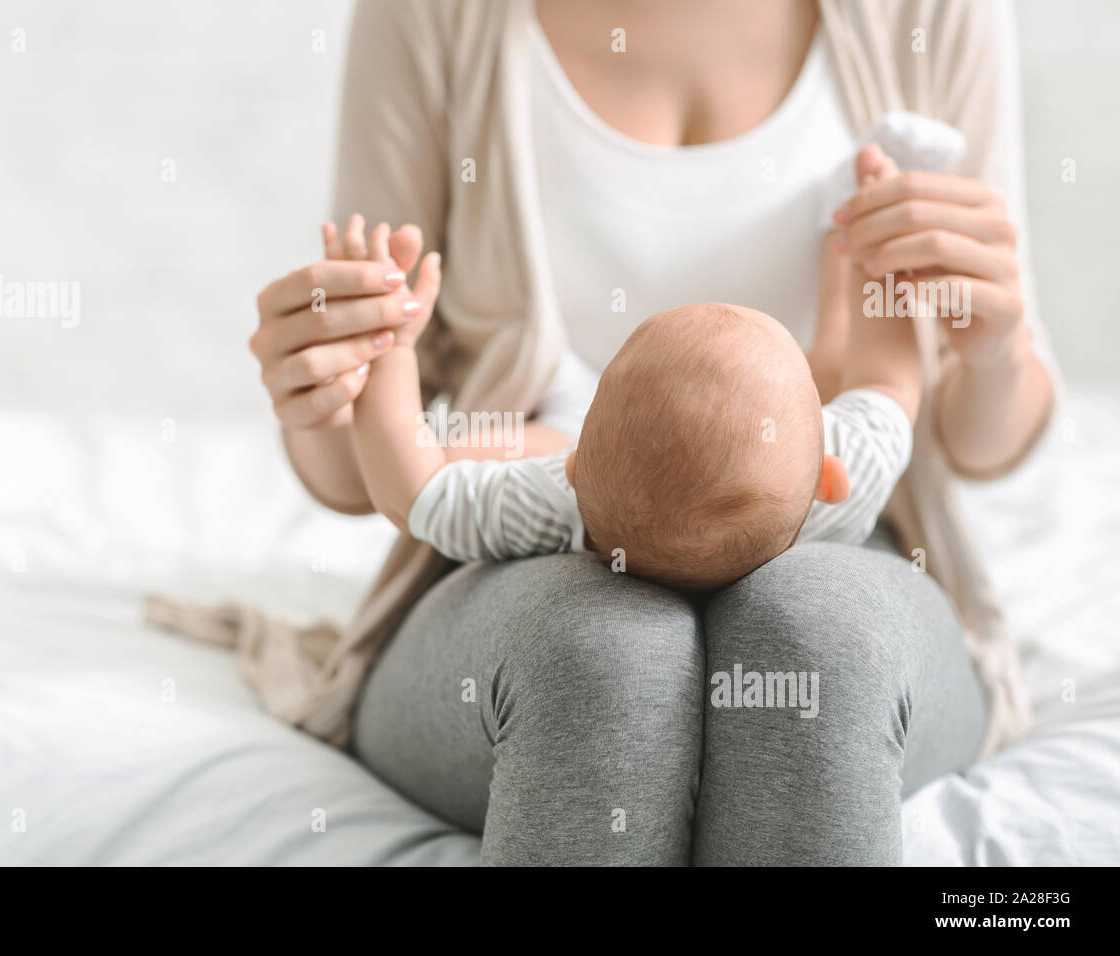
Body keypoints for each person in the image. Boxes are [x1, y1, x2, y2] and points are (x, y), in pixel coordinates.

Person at [248, 0, 1056, 864]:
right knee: (604, 654)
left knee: (817, 640)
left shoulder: (547, 488)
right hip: (534, 606)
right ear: (825, 474)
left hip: (818, 582)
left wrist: (997, 347)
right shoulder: (844, 465)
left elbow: (412, 484)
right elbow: (887, 381)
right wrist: (325, 380)